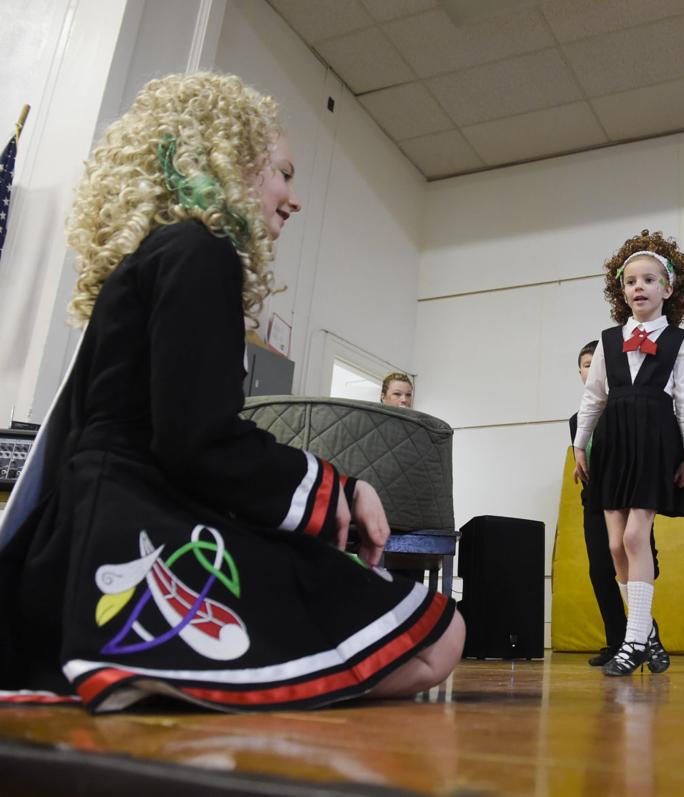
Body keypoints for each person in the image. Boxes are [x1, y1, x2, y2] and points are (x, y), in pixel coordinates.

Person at [0, 72, 463, 712]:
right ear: (229, 160)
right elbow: (198, 442)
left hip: (79, 535)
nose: (293, 198)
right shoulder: (201, 248)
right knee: (441, 636)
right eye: (285, 173)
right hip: (134, 526)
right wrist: (340, 489)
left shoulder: (152, 257)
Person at [573, 231, 684, 676]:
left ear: (667, 289)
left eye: (649, 280)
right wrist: (579, 446)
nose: (639, 287)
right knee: (613, 544)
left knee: (634, 538)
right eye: (630, 281)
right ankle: (646, 635)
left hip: (654, 439)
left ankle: (631, 643)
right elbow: (593, 398)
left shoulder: (679, 340)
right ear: (621, 290)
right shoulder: (608, 340)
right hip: (612, 439)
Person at [569, 341, 660, 667]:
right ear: (580, 372)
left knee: (636, 560)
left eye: (597, 363)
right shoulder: (577, 420)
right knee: (600, 570)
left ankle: (643, 633)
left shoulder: (627, 409)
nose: (591, 369)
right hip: (594, 500)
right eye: (585, 364)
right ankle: (617, 640)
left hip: (627, 498)